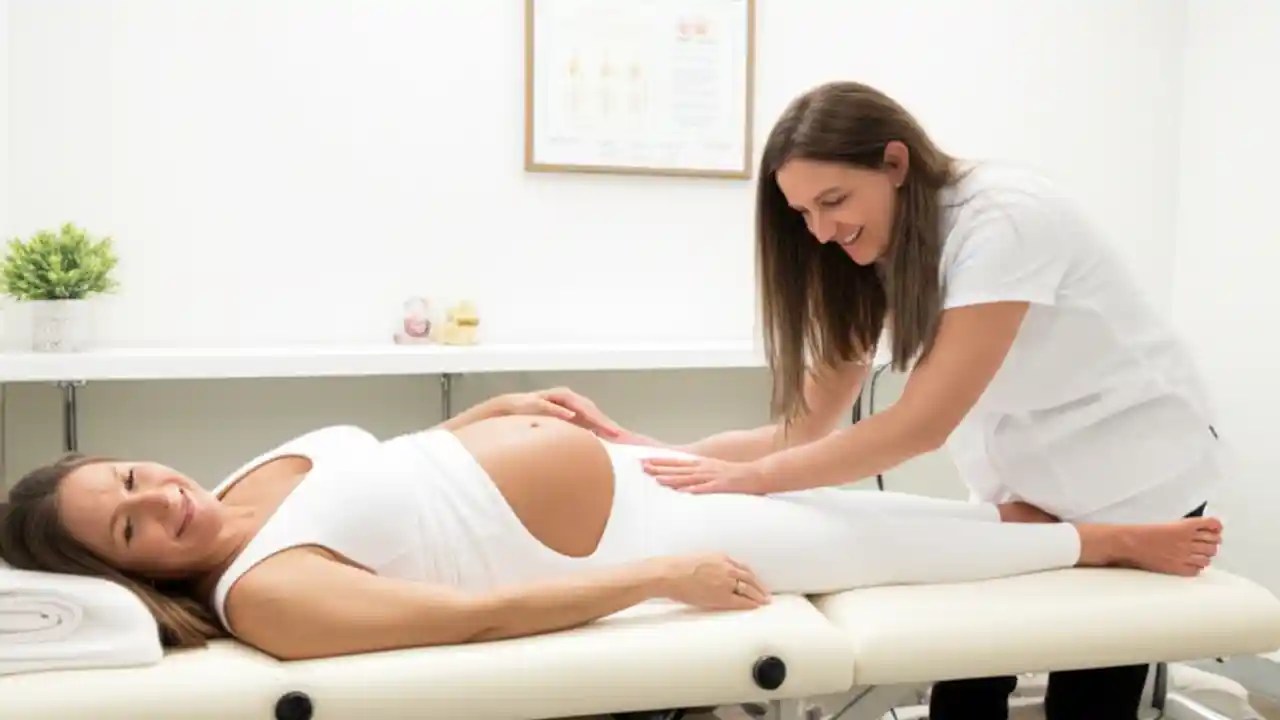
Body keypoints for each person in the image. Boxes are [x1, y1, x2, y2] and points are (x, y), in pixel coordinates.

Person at [629, 81, 1230, 720]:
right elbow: (801, 429)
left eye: (833, 201)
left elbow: (919, 426)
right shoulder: (865, 251)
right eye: (803, 213)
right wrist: (663, 459)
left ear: (894, 163)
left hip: (1135, 465)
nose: (822, 231)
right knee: (968, 674)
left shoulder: (1004, 220)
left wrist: (751, 480)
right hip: (1023, 475)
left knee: (1088, 695)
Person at [0, 386, 1220, 667]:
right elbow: (473, 614)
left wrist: (505, 408)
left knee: (860, 492)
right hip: (600, 543)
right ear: (127, 575)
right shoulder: (263, 592)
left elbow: (394, 462)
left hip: (632, 470)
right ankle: (1108, 543)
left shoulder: (240, 481)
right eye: (131, 526)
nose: (162, 497)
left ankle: (1018, 521)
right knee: (882, 544)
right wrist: (658, 576)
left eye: (137, 475)